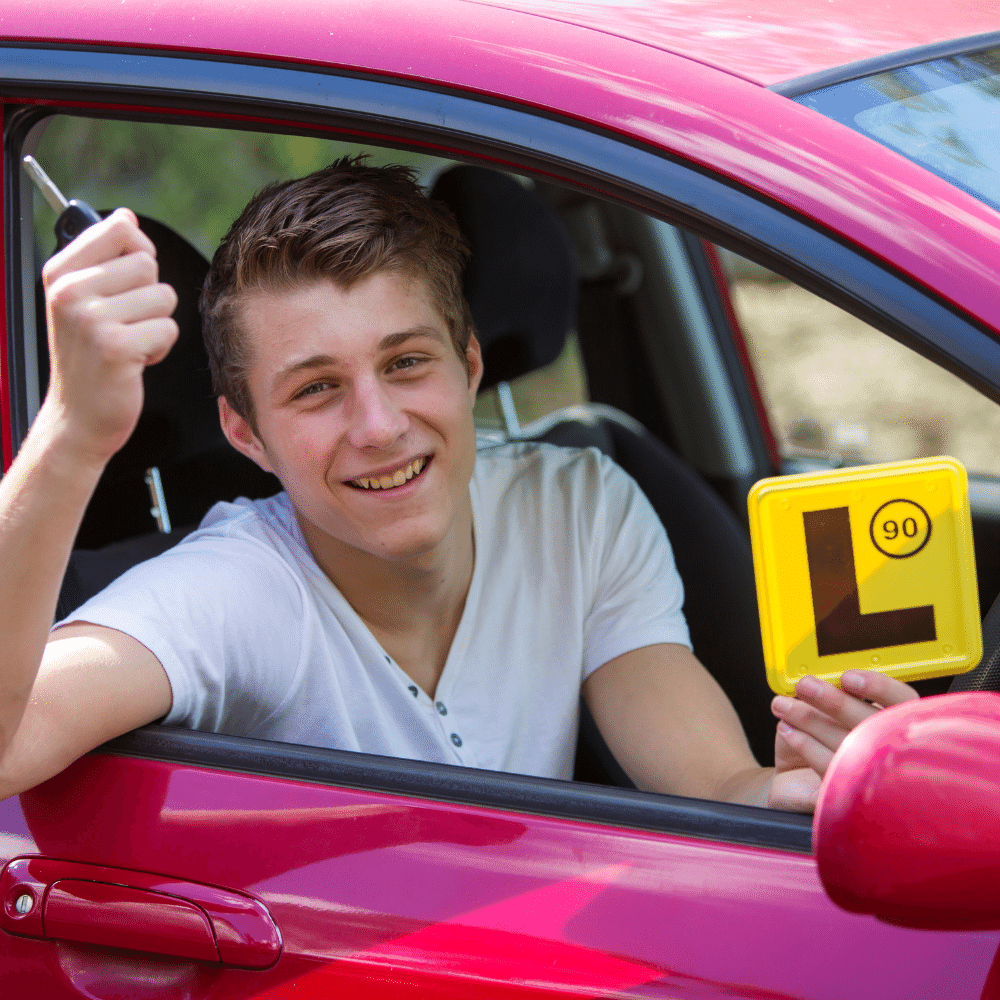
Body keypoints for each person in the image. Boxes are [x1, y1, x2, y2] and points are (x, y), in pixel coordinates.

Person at [0, 159, 917, 810]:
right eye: (316, 389)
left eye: (405, 363)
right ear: (246, 433)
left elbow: (715, 784)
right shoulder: (234, 589)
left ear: (469, 363)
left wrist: (797, 787)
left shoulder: (579, 509)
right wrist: (76, 437)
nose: (378, 425)